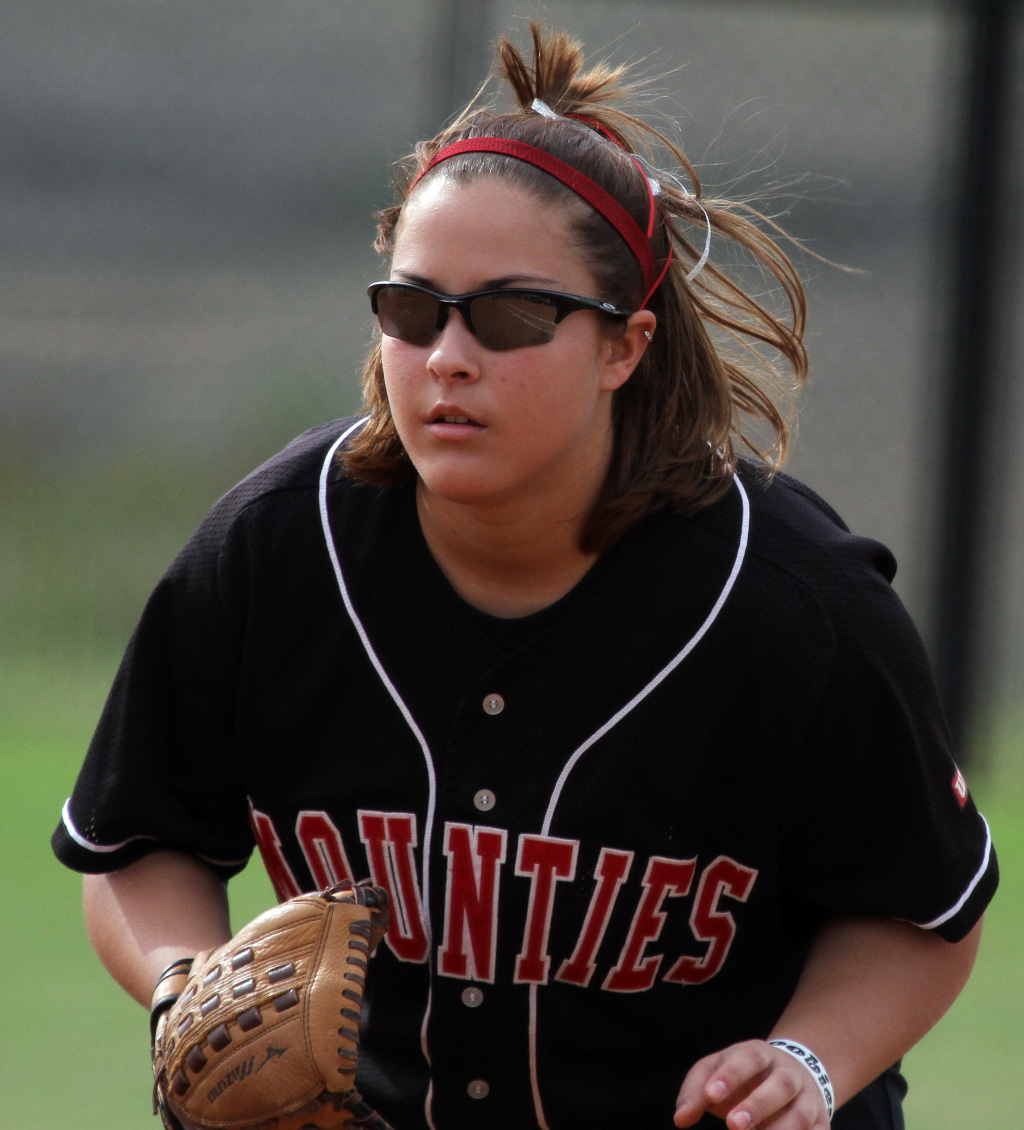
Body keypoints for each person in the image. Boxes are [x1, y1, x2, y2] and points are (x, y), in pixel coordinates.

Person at [53, 23, 996, 1130]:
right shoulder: (277, 549)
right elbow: (138, 837)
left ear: (624, 347)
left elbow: (921, 906)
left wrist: (810, 1057)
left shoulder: (790, 602)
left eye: (509, 315)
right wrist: (187, 983)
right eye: (413, 309)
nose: (448, 354)